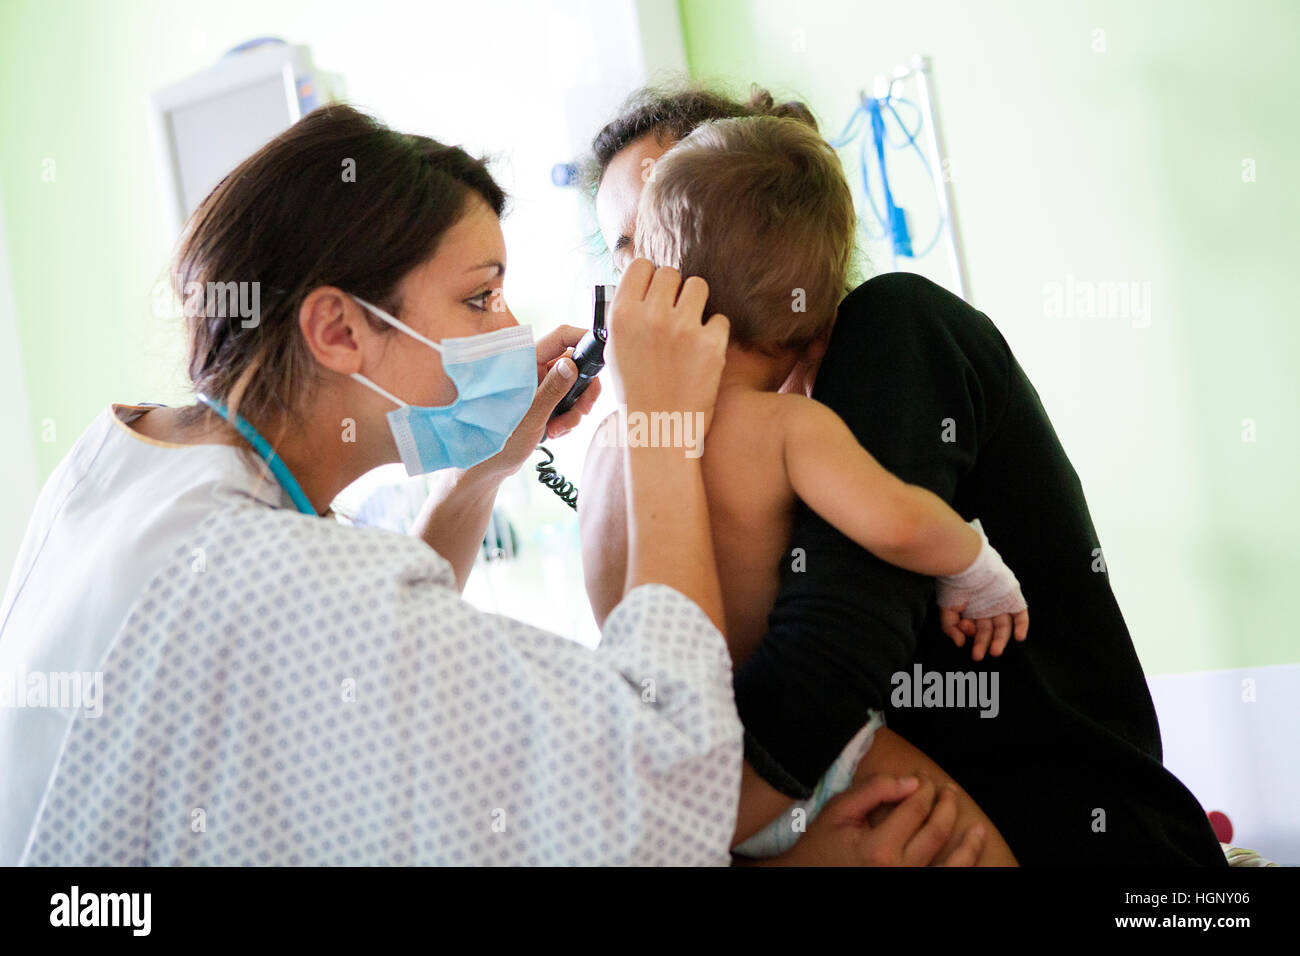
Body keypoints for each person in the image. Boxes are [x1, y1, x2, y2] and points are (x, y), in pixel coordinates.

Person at [0, 104, 981, 867]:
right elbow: (666, 772)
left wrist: (486, 473)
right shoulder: (281, 581)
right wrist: (659, 430)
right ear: (340, 331)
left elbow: (347, 643)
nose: (512, 325)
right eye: (478, 296)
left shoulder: (121, 469)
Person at [580, 82, 1227, 866]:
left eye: (652, 233)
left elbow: (824, 665)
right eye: (622, 254)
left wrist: (683, 830)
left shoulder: (894, 334)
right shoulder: (670, 445)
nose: (642, 282)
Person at [583, 115, 1029, 862]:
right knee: (975, 846)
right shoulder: (786, 428)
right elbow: (897, 522)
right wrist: (976, 568)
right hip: (808, 768)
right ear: (820, 324)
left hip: (660, 765)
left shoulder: (608, 448)